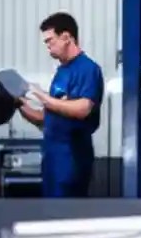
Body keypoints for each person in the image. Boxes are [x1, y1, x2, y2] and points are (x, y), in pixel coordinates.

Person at [16, 12, 105, 198]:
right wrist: (19, 104)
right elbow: (46, 116)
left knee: (65, 212)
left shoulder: (87, 69)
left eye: (50, 41)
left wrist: (41, 95)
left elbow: (82, 109)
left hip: (71, 157)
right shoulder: (62, 72)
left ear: (66, 37)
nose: (48, 47)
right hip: (52, 157)